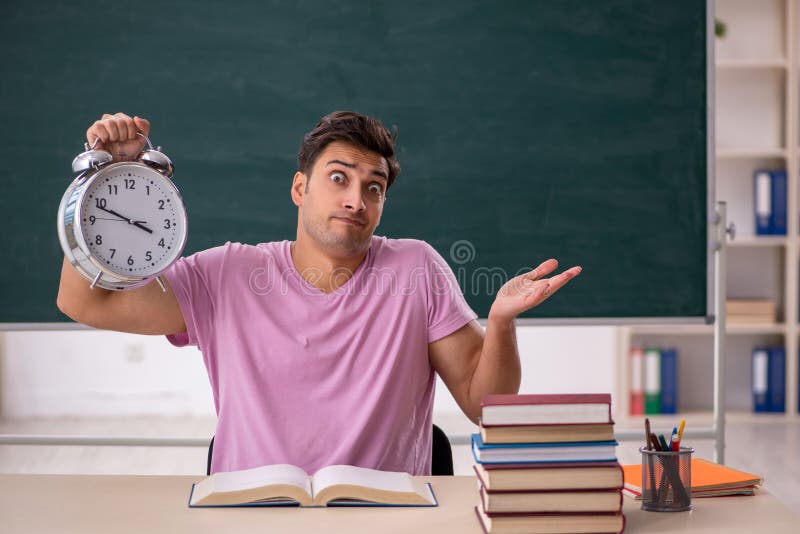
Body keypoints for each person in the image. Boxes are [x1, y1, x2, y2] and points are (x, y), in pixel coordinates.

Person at [57, 111, 582, 475]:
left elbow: (487, 405)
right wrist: (108, 174)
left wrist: (503, 323)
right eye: (339, 178)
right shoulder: (226, 274)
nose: (356, 199)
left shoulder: (416, 267)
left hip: (389, 519)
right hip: (253, 518)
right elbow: (85, 301)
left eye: (373, 188)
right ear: (300, 188)